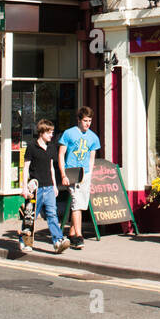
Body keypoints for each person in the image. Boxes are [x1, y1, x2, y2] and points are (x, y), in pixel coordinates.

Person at [19, 119, 70, 254]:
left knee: (52, 214)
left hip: (48, 187)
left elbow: (51, 168)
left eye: (52, 132)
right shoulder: (31, 147)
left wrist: (54, 185)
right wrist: (24, 188)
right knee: (30, 216)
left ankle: (57, 241)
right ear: (41, 132)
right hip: (35, 188)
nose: (51, 135)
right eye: (49, 133)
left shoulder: (51, 147)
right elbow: (26, 168)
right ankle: (25, 241)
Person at [57, 107, 100, 250]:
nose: (88, 124)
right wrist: (63, 174)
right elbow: (61, 154)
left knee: (81, 204)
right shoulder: (69, 134)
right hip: (72, 171)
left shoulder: (93, 137)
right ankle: (78, 237)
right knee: (76, 202)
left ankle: (71, 233)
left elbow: (92, 159)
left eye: (90, 121)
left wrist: (90, 174)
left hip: (85, 173)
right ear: (79, 120)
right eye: (85, 121)